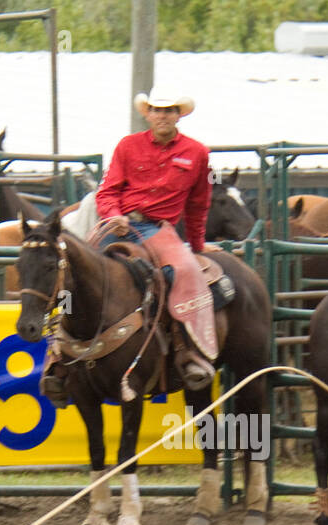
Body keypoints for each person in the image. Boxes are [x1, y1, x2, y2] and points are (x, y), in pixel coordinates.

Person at [95, 89, 215, 390]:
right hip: (118, 223)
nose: (163, 115)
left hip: (160, 229)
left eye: (170, 110)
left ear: (179, 115)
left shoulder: (197, 152)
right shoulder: (127, 146)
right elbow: (108, 190)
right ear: (147, 114)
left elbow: (199, 204)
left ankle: (185, 349)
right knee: (75, 270)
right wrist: (113, 214)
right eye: (157, 110)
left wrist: (197, 247)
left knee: (183, 273)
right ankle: (59, 356)